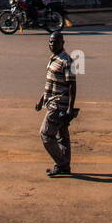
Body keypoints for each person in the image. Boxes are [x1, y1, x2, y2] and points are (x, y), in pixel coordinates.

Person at [34, 30, 77, 177]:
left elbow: (72, 85)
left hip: (59, 105)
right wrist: (41, 100)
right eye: (50, 42)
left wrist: (70, 109)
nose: (52, 44)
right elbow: (50, 83)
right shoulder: (54, 58)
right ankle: (65, 166)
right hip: (52, 102)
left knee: (45, 134)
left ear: (62, 43)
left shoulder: (66, 61)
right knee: (62, 135)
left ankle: (61, 163)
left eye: (55, 42)